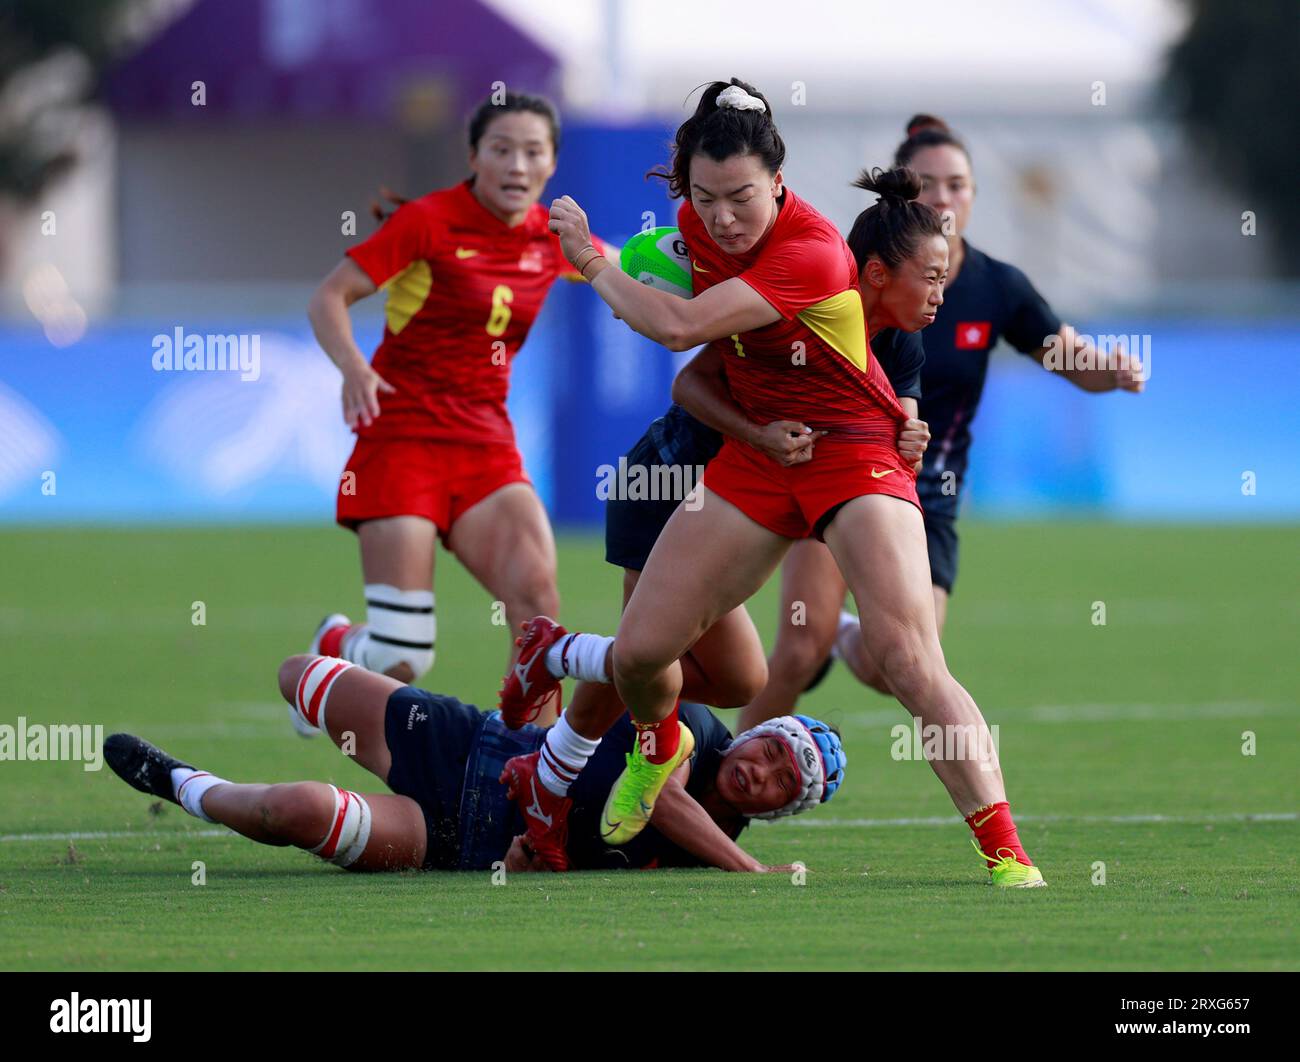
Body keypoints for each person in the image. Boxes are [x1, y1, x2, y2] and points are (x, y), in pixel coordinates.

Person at [510, 78, 1044, 886]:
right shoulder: (697, 225)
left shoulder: (813, 250)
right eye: (706, 196)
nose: (722, 217)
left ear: (781, 185)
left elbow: (676, 326)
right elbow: (685, 343)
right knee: (643, 655)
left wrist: (588, 259)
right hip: (758, 460)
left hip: (850, 452)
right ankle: (662, 746)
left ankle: (1005, 850)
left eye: (742, 198)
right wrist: (627, 268)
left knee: (906, 653)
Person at [497, 167, 935, 872]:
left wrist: (908, 438)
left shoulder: (900, 343)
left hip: (732, 505)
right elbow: (683, 371)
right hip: (667, 486)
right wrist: (595, 261)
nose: (940, 293)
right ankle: (547, 793)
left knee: (730, 681)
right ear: (877, 275)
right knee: (652, 667)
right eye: (931, 275)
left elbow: (900, 419)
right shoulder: (789, 295)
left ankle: (553, 671)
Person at [738, 114, 1144, 725]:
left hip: (930, 490)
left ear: (975, 195)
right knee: (797, 650)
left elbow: (1062, 355)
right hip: (835, 472)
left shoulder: (996, 288)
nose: (944, 197)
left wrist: (1108, 370)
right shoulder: (853, 275)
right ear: (903, 195)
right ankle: (730, 791)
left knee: (897, 665)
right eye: (927, 184)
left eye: (958, 184)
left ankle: (851, 638)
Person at [302, 90, 611, 719]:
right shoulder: (427, 222)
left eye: (532, 152)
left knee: (538, 613)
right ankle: (335, 644)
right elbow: (328, 299)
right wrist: (354, 366)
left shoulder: (553, 236)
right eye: (501, 149)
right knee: (401, 659)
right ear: (474, 156)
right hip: (401, 440)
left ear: (552, 164)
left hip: (486, 448)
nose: (516, 165)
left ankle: (529, 776)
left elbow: (640, 271)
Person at [103, 654, 846, 874]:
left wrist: (524, 871)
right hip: (473, 744)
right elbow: (662, 802)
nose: (764, 773)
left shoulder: (715, 855)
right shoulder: (692, 722)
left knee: (290, 812)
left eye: (784, 783)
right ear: (755, 734)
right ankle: (356, 657)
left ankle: (186, 786)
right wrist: (750, 876)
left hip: (467, 841)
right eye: (772, 751)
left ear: (779, 810)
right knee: (296, 672)